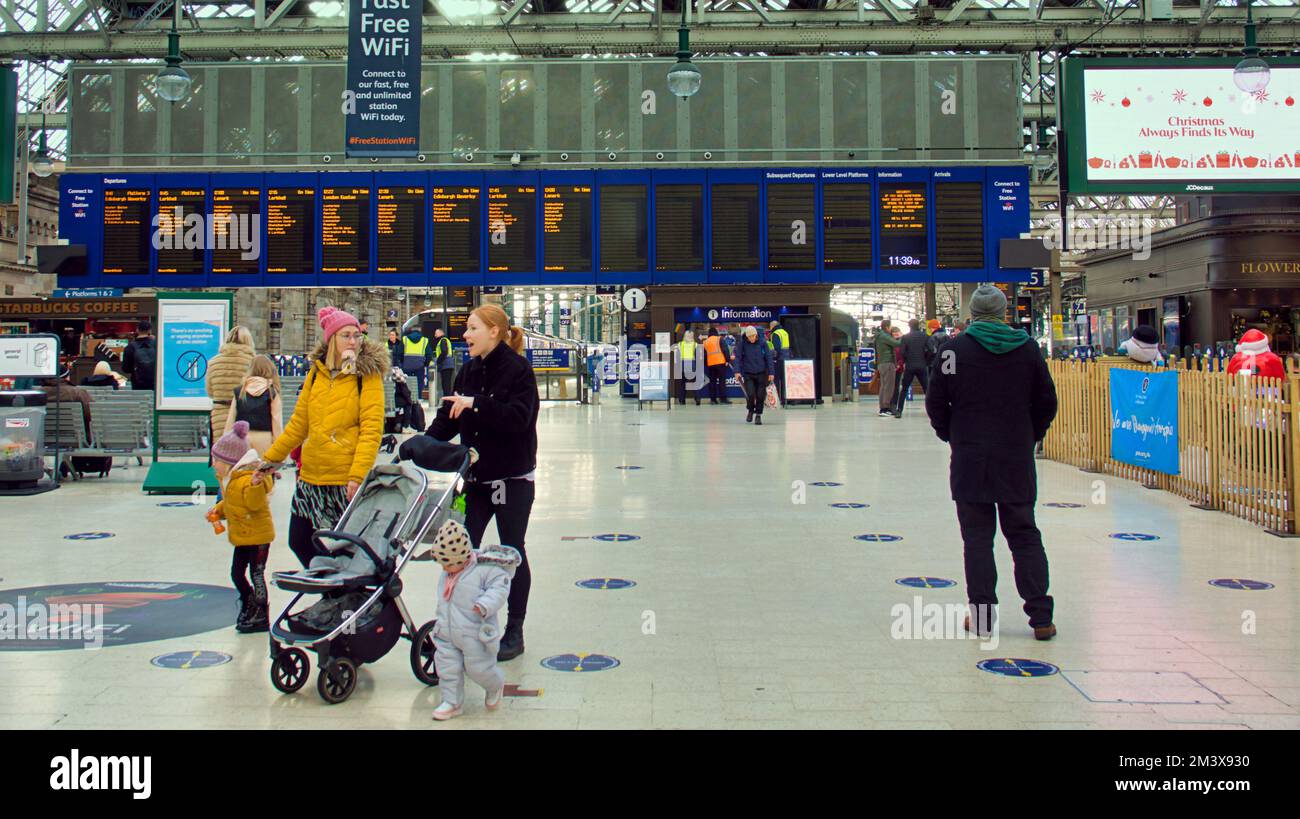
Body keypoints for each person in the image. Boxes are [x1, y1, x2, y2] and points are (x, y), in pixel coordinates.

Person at [400, 303, 539, 662]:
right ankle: (460, 623)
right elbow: (448, 419)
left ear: (494, 331)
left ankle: (515, 628)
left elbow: (519, 419)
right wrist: (422, 443)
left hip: (512, 479)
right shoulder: (467, 370)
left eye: (473, 328)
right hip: (474, 480)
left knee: (512, 551)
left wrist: (477, 404)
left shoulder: (519, 370)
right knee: (460, 551)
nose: (465, 335)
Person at [925, 285, 1059, 641]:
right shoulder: (1027, 349)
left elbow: (935, 402)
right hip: (1015, 456)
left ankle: (983, 618)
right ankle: (1041, 618)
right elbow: (1047, 401)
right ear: (1003, 313)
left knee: (978, 540)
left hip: (970, 458)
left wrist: (952, 435)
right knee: (1024, 535)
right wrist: (1030, 435)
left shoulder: (952, 350)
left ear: (972, 314)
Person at [259, 307, 387, 568]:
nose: (353, 341)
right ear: (331, 340)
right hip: (311, 475)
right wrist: (270, 460)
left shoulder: (367, 376)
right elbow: (298, 425)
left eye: (356, 335)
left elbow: (371, 429)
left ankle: (348, 597)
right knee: (300, 540)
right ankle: (334, 593)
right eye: (346, 335)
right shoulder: (316, 373)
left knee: (349, 548)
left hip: (344, 478)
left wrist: (357, 474)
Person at [426, 520, 521, 721]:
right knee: (447, 668)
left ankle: (495, 685)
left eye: (448, 564)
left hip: (475, 633)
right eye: (442, 564)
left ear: (463, 557)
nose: (445, 568)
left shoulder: (484, 569)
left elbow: (499, 588)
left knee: (479, 669)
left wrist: (485, 604)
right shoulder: (448, 571)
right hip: (448, 632)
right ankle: (452, 702)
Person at [207, 421, 274, 633]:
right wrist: (218, 511)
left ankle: (261, 613)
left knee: (257, 575)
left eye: (216, 459)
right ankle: (248, 602)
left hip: (258, 538)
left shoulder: (246, 479)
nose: (214, 463)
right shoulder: (231, 480)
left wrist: (255, 485)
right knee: (237, 574)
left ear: (229, 461)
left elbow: (254, 503)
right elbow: (233, 504)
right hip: (243, 537)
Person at [225, 355, 284, 457]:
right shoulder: (272, 392)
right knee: (262, 472)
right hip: (265, 438)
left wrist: (227, 440)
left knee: (241, 471)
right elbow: (276, 421)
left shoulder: (240, 391)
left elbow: (231, 419)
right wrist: (279, 446)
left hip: (241, 437)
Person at [206, 326, 256, 442]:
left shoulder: (213, 362)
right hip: (244, 413)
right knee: (243, 452)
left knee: (221, 451)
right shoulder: (252, 362)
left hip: (220, 413)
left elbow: (210, 391)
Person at [736, 325, 774, 425]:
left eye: (753, 336)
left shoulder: (762, 343)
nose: (752, 338)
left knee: (760, 396)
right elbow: (737, 357)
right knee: (750, 394)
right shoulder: (742, 344)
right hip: (748, 374)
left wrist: (771, 372)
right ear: (747, 336)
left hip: (761, 373)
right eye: (750, 337)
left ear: (756, 335)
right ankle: (750, 410)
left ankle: (758, 415)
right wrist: (737, 371)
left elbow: (769, 357)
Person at [893, 319, 931, 418]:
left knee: (904, 389)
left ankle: (899, 411)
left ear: (909, 326)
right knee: (927, 389)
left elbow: (902, 352)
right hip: (922, 365)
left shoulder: (906, 337)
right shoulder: (925, 336)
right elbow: (931, 350)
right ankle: (932, 411)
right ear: (918, 325)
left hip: (910, 366)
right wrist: (926, 360)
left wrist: (906, 360)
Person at [873, 319, 900, 416]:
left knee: (884, 386)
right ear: (887, 327)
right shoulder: (884, 336)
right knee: (889, 387)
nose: (891, 328)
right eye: (891, 326)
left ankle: (883, 407)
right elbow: (897, 344)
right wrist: (900, 337)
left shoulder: (879, 336)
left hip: (882, 363)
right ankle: (885, 408)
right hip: (888, 363)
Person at [121, 320, 157, 392]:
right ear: (149, 330)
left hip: (137, 384)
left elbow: (126, 369)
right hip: (155, 382)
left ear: (137, 330)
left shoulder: (130, 347)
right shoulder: (156, 345)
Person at [401, 326, 433, 400]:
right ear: (420, 331)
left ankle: (407, 398)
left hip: (407, 365)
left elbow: (400, 353)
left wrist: (403, 363)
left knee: (407, 382)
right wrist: (425, 364)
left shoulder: (405, 339)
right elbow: (429, 354)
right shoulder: (424, 340)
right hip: (419, 365)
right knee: (419, 382)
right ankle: (418, 398)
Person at [702, 327, 732, 405]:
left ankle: (713, 400)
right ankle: (723, 399)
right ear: (716, 332)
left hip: (711, 364)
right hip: (720, 363)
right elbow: (725, 350)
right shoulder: (719, 339)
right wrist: (728, 360)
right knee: (722, 381)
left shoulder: (705, 342)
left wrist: (706, 364)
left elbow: (704, 355)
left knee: (712, 382)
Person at [676, 330, 704, 406]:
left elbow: (677, 357)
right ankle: (697, 399)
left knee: (682, 384)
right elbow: (700, 357)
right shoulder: (695, 345)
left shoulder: (679, 344)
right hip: (692, 366)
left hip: (682, 365)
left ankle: (682, 400)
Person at [768, 319, 791, 407]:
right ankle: (786, 399)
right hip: (786, 358)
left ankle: (778, 399)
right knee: (785, 380)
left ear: (772, 326)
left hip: (779, 359)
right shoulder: (784, 332)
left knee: (777, 380)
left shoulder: (775, 334)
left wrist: (773, 357)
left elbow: (776, 348)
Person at [433, 328, 456, 402]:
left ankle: (447, 401)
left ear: (440, 333)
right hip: (448, 364)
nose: (435, 335)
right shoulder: (444, 340)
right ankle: (447, 399)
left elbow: (444, 352)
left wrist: (438, 361)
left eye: (436, 333)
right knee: (446, 384)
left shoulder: (443, 340)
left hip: (446, 365)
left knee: (446, 384)